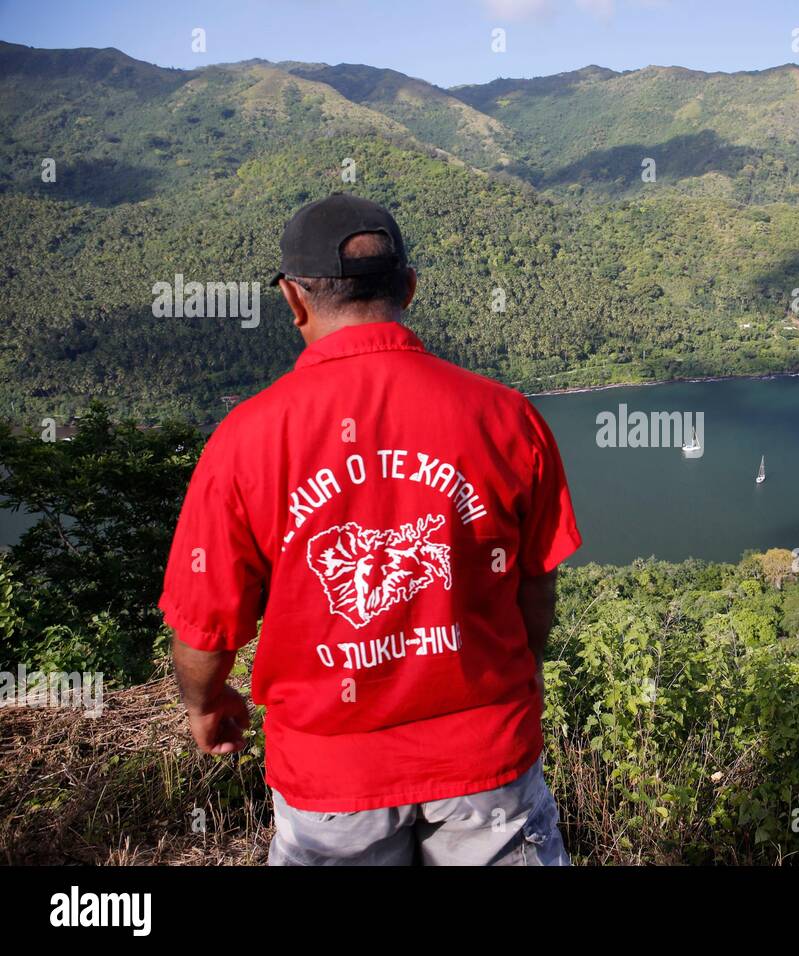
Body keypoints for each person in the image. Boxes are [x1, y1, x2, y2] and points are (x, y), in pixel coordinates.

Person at [159, 193, 582, 865]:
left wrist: (204, 703)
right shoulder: (504, 417)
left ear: (294, 301)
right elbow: (537, 582)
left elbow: (205, 628)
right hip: (486, 760)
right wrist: (520, 668)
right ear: (409, 288)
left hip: (332, 784)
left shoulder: (246, 441)